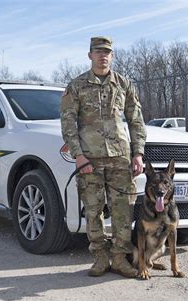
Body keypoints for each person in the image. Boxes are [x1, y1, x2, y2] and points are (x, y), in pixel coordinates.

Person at [60, 36, 147, 278]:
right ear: (89, 55)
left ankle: (119, 258)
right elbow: (68, 123)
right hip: (90, 158)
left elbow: (136, 120)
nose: (103, 55)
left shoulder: (124, 84)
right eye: (98, 51)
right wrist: (78, 155)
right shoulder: (76, 86)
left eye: (107, 52)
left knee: (122, 210)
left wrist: (138, 152)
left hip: (120, 157)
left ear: (113, 55)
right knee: (93, 209)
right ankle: (99, 257)